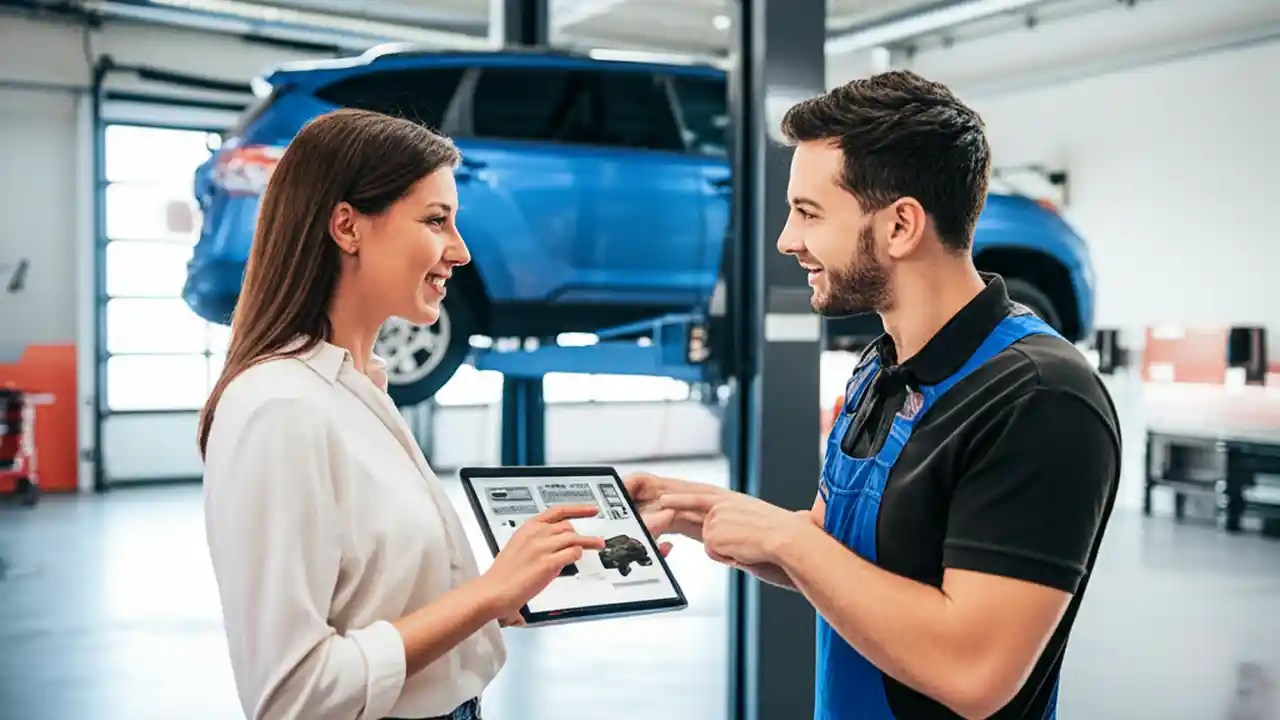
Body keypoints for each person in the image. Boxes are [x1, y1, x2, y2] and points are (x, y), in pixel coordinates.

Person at [627, 71, 1120, 720]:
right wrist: (707, 512)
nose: (787, 240)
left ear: (900, 226)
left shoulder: (1039, 398)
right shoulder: (879, 368)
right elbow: (846, 557)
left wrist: (788, 542)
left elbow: (973, 672)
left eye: (807, 213)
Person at [198, 109, 605, 720]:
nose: (461, 252)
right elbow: (291, 695)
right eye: (436, 221)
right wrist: (484, 593)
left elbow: (376, 606)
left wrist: (502, 595)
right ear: (347, 226)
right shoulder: (279, 407)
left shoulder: (361, 389)